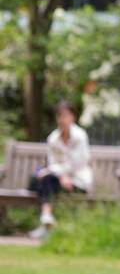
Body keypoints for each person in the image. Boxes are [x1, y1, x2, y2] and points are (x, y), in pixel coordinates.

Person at [28, 99, 93, 239]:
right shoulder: (53, 138)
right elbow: (52, 163)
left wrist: (62, 173)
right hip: (58, 180)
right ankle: (46, 220)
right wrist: (60, 174)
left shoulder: (80, 136)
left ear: (73, 117)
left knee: (42, 180)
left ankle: (46, 222)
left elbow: (78, 162)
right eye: (60, 116)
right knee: (38, 179)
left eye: (65, 115)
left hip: (77, 181)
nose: (62, 119)